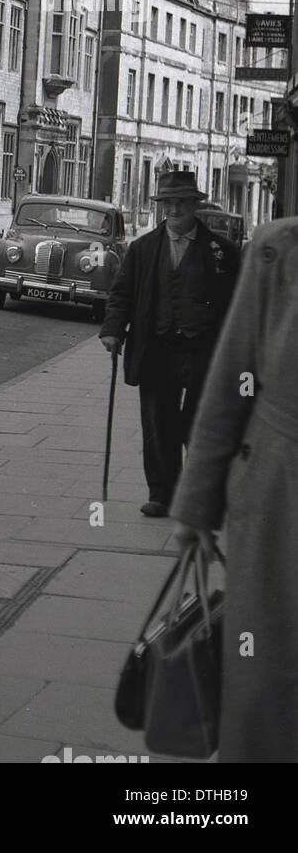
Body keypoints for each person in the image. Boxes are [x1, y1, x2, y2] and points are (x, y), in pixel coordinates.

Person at [168, 216, 298, 761]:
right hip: (277, 497)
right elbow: (231, 378)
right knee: (267, 697)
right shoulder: (278, 249)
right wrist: (195, 504)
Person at [98, 170, 240, 517]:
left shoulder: (221, 250)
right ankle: (162, 494)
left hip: (203, 350)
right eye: (168, 203)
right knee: (158, 423)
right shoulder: (143, 249)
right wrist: (113, 330)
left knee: (200, 423)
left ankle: (200, 495)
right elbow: (122, 294)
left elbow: (238, 302)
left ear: (195, 206)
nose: (174, 210)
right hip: (157, 347)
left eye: (182, 203)